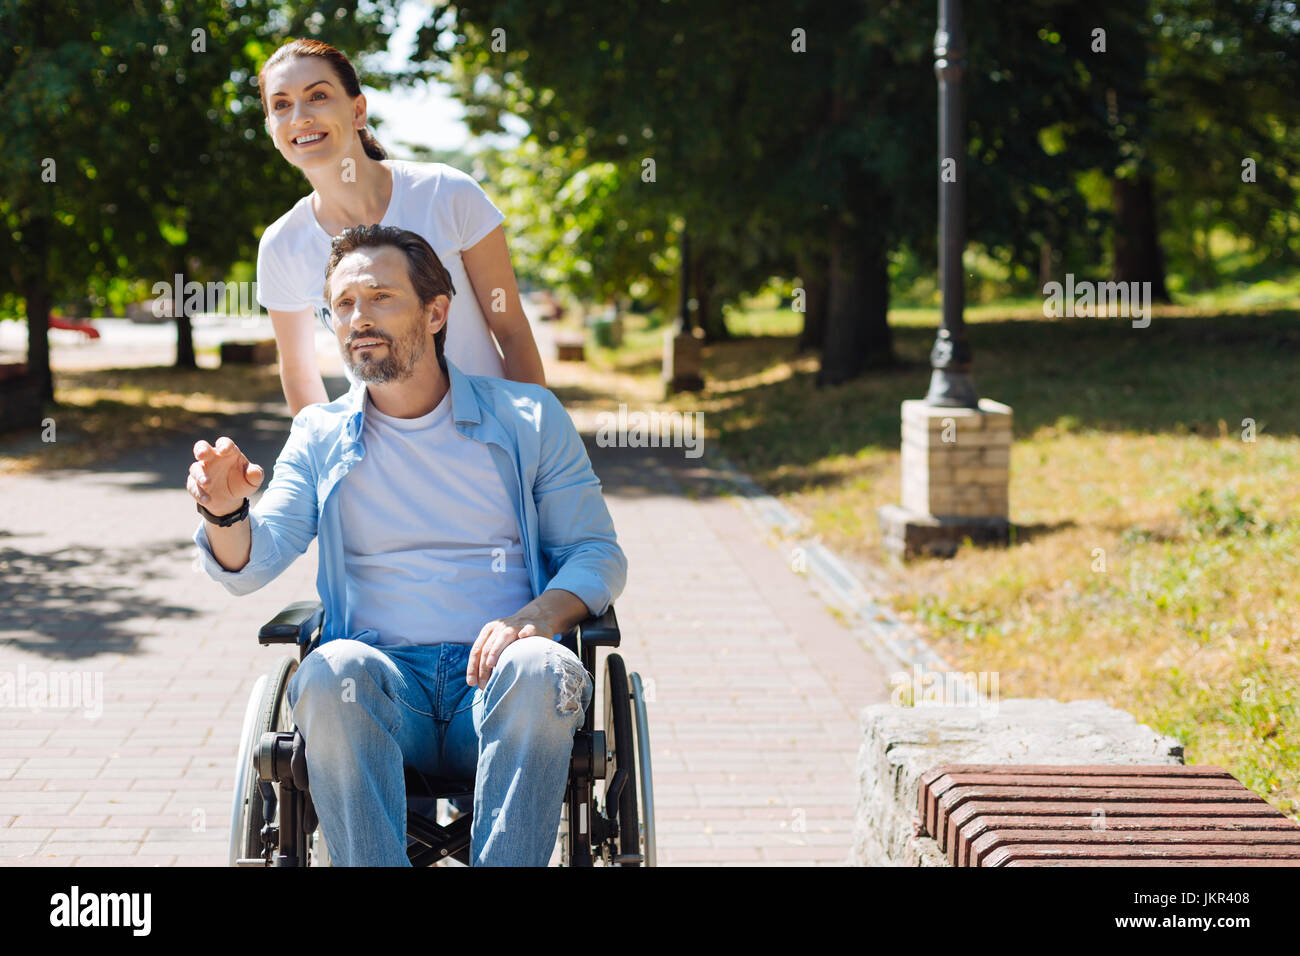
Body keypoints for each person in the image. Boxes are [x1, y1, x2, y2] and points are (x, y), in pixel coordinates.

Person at [186, 225, 627, 866]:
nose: (357, 318)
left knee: (545, 668)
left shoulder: (529, 419)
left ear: (436, 311)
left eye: (379, 297)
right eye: (341, 305)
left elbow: (596, 552)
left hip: (500, 691)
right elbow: (256, 559)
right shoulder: (319, 434)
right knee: (329, 669)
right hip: (381, 692)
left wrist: (536, 619)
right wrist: (226, 514)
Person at [255, 38, 546, 415]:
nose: (299, 116)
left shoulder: (447, 193)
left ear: (358, 110)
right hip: (383, 461)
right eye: (281, 105)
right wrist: (323, 465)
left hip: (490, 447)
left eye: (318, 96)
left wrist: (534, 443)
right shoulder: (282, 245)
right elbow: (298, 372)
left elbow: (512, 331)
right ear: (271, 128)